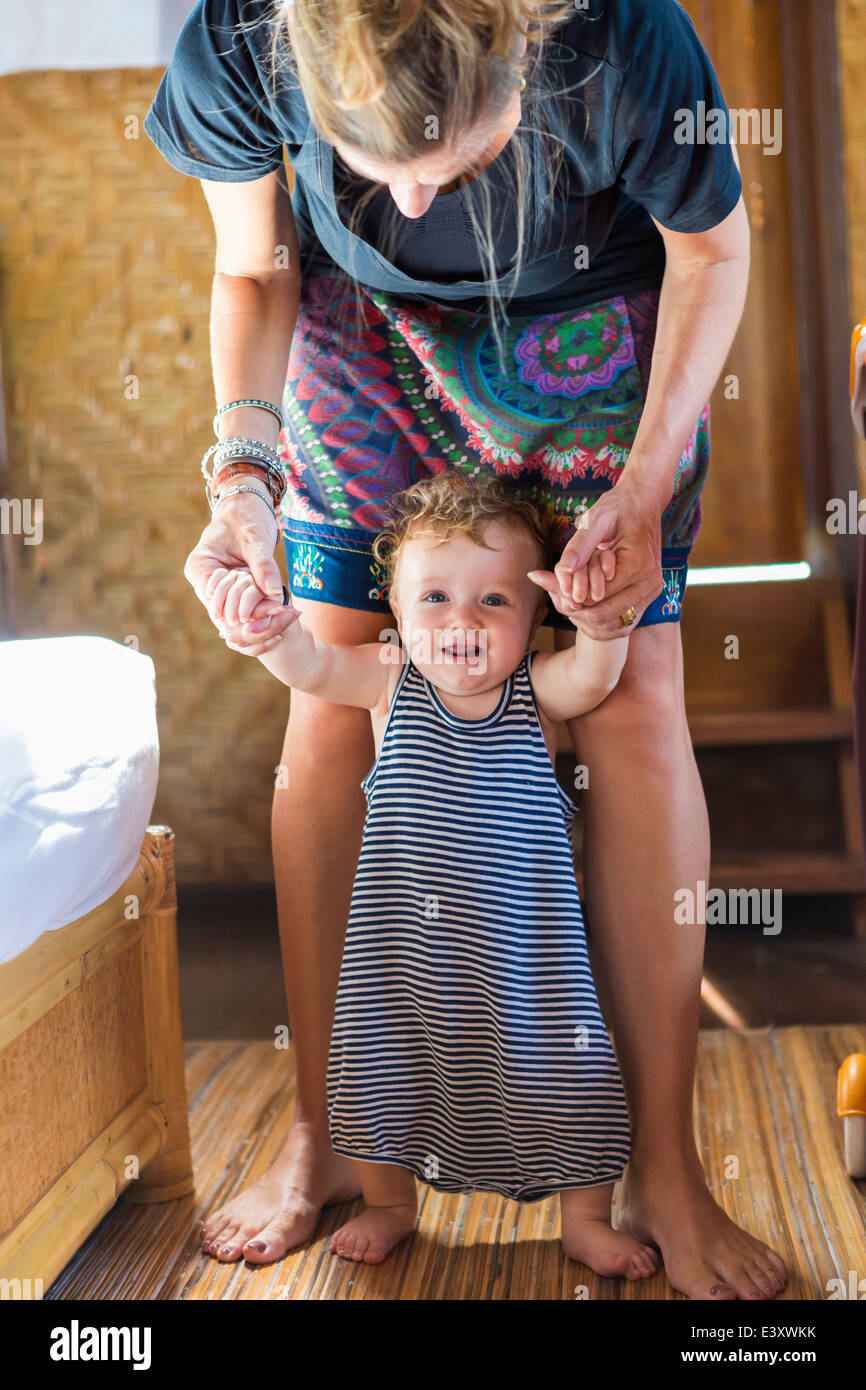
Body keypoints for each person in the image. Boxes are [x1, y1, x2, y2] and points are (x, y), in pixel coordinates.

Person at [144, 0, 789, 1299]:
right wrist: (246, 478)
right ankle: (329, 1130)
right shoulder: (233, 40)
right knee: (329, 688)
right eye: (381, 167)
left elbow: (710, 254)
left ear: (521, 45)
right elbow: (259, 265)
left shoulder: (623, 43)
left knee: (630, 691)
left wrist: (646, 483)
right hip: (355, 343)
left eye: (461, 155)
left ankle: (659, 1160)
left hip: (600, 333)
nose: (421, 190)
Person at [217, 470, 661, 1276]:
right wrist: (269, 628)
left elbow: (596, 674)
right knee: (380, 1075)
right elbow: (311, 666)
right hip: (403, 963)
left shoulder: (536, 691)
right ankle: (389, 1202)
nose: (463, 620)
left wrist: (602, 625)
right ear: (394, 609)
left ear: (534, 620)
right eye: (434, 599)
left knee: (570, 1077)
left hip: (530, 961)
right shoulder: (389, 680)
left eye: (494, 601)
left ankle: (586, 1217)